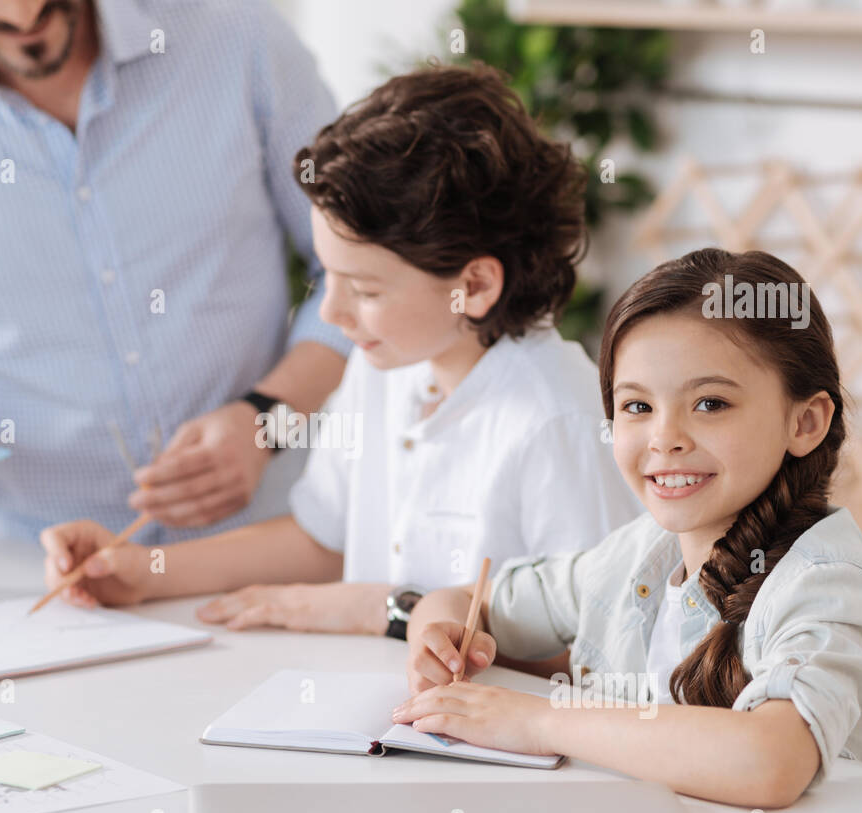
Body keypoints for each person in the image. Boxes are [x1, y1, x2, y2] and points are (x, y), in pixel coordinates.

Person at [39, 63, 640, 637]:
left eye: (365, 289)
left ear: (474, 287)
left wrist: (387, 613)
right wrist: (140, 573)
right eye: (327, 277)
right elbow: (323, 539)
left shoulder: (557, 419)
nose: (330, 313)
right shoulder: (385, 366)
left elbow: (595, 645)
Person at [0, 0, 349, 540]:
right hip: (41, 569)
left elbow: (363, 270)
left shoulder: (241, 44)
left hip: (276, 547)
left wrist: (266, 419)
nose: (24, 12)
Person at [397, 248, 862, 808]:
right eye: (637, 406)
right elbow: (467, 600)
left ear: (805, 422)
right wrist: (436, 637)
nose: (665, 437)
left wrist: (542, 721)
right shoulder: (637, 554)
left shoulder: (828, 585)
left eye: (710, 403)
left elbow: (771, 761)